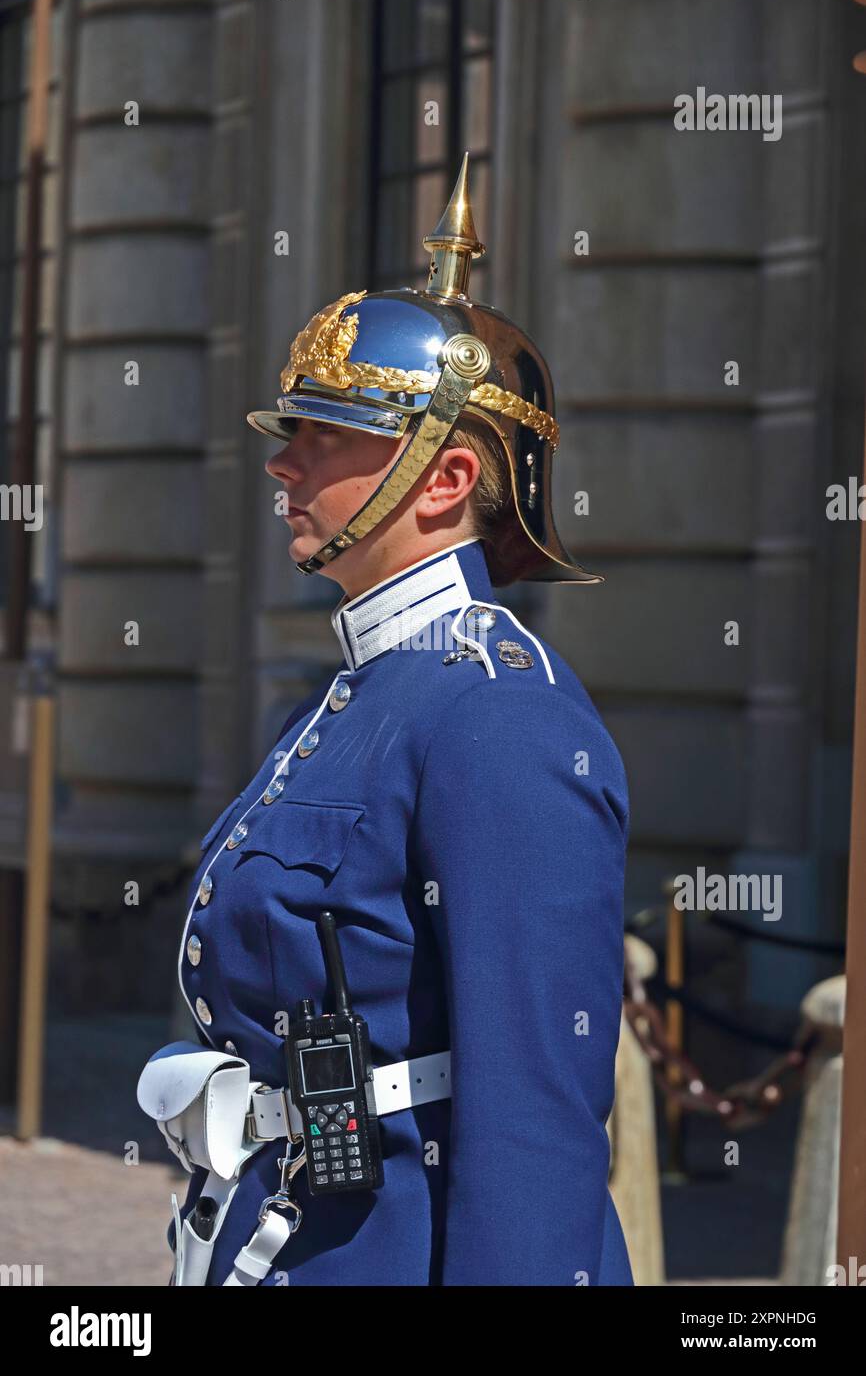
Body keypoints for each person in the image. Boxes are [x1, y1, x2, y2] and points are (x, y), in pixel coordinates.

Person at [137, 155, 634, 1286]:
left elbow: (532, 1122)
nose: (282, 458)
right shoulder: (372, 687)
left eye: (325, 432)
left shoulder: (496, 713)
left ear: (444, 475)